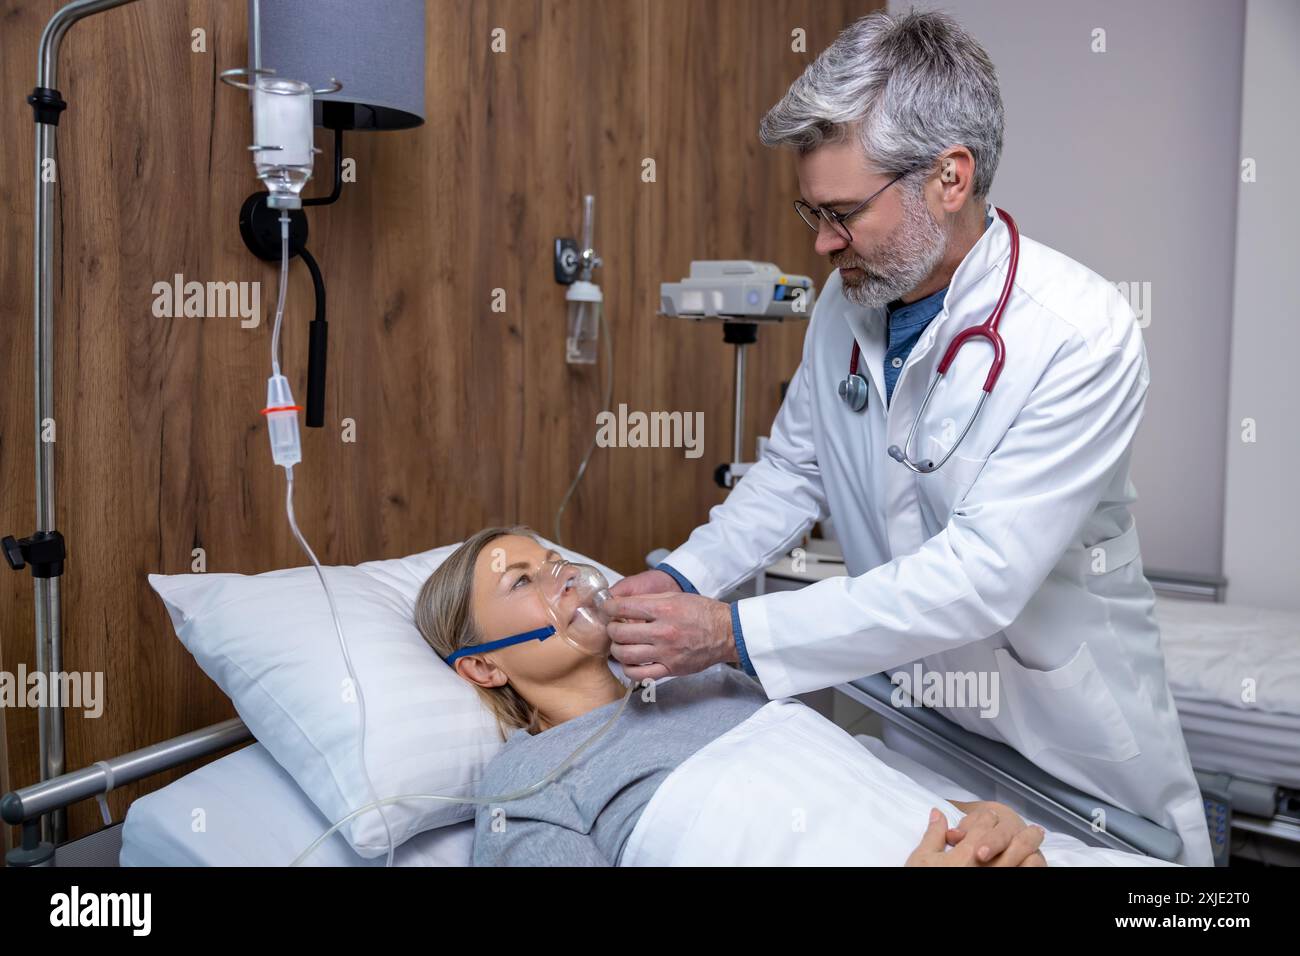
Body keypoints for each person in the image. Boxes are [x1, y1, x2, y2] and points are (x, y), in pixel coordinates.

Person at [602, 10, 1212, 866]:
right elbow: (792, 473)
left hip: (1073, 758)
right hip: (921, 735)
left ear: (950, 179)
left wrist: (731, 633)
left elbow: (980, 579)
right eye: (809, 210)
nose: (820, 244)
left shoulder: (1080, 333)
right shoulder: (846, 303)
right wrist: (681, 576)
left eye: (843, 212)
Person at [413, 526, 1076, 867]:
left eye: (554, 559)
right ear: (481, 669)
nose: (560, 575)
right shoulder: (525, 782)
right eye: (520, 580)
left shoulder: (707, 678)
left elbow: (853, 787)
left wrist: (987, 820)